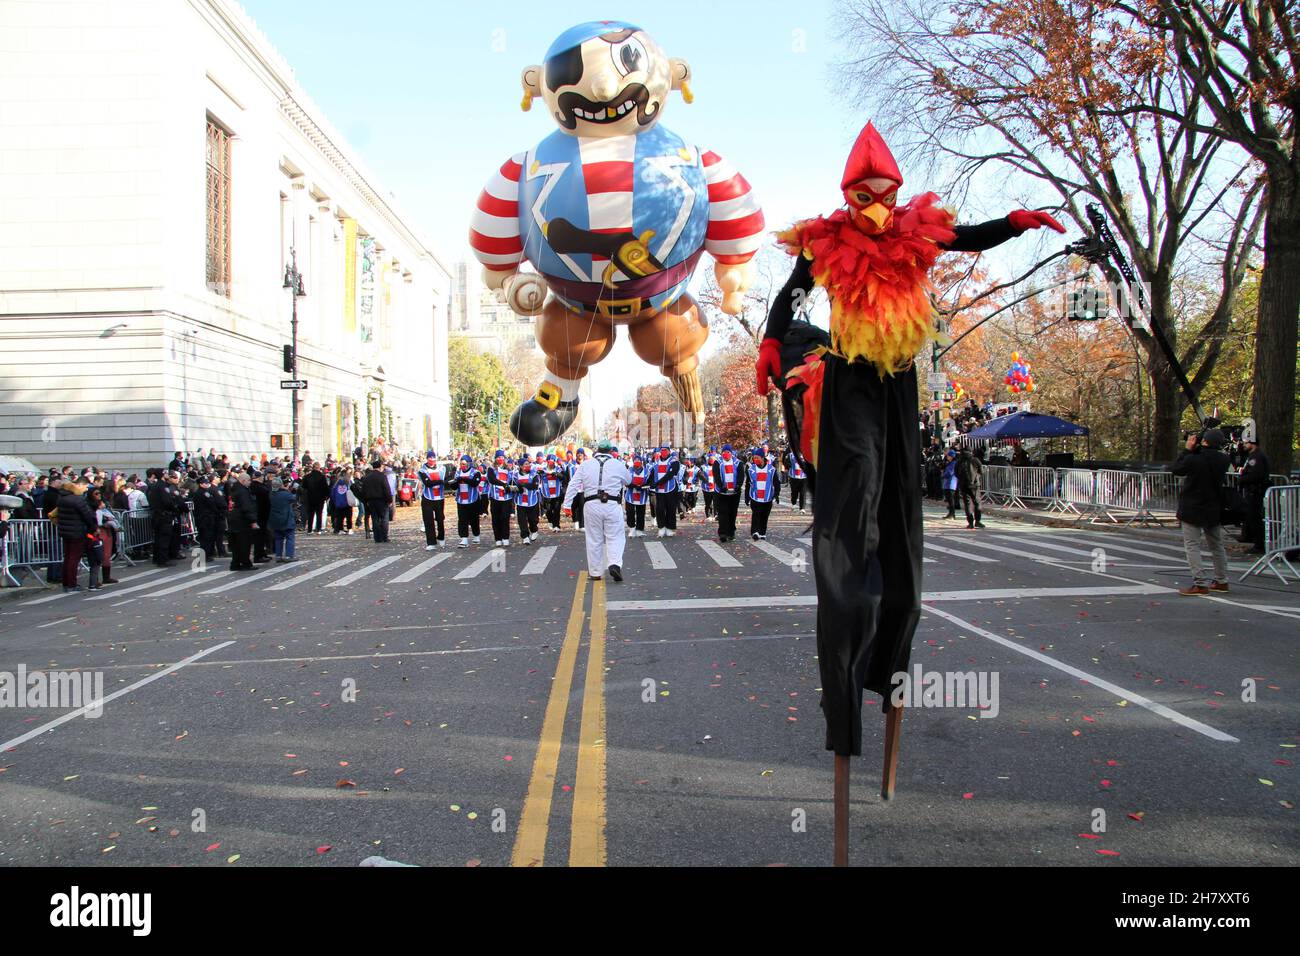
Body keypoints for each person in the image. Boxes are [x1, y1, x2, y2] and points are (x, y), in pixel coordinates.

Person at [757, 119, 1064, 758]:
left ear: (897, 193)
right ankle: (842, 672)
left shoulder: (913, 232)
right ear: (848, 195)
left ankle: (885, 658)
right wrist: (767, 342)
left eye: (886, 193)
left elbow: (966, 237)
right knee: (858, 496)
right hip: (849, 381)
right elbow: (789, 298)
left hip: (899, 382)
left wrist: (1013, 221)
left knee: (899, 508)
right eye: (864, 194)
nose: (877, 206)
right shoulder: (825, 243)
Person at [1170, 427, 1230, 595]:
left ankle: (1200, 582)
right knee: (1216, 545)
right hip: (1213, 507)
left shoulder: (1194, 459)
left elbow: (1177, 469)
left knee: (1192, 545)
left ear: (1204, 441)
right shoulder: (1223, 460)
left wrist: (1187, 449)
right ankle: (1221, 580)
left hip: (1192, 507)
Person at [562, 438, 631, 581]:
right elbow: (628, 481)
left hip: (591, 504)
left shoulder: (586, 465)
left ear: (597, 451)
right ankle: (614, 564)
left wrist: (567, 505)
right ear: (611, 451)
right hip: (612, 504)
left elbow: (573, 484)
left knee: (594, 538)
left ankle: (595, 572)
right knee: (615, 536)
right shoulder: (618, 464)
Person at [56, 480, 97, 592]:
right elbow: (87, 515)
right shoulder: (77, 500)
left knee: (68, 557)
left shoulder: (62, 499)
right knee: (74, 558)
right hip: (77, 531)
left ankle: (66, 582)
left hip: (66, 530)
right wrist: (92, 527)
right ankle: (72, 584)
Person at [1238, 432, 1271, 555]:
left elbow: (1256, 475)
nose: (1244, 445)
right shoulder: (1252, 456)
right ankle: (1250, 537)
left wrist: (1242, 479)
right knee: (1250, 516)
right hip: (1252, 491)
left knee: (1255, 517)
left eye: (1246, 443)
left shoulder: (1256, 457)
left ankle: (1259, 544)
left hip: (1255, 491)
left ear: (1252, 443)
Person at [745, 447, 780, 540]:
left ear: (762, 458)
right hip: (755, 497)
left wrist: (777, 494)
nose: (755, 459)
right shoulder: (751, 469)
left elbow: (776, 482)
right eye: (754, 458)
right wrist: (746, 497)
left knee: (764, 516)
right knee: (756, 514)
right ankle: (755, 532)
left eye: (757, 458)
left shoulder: (771, 469)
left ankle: (762, 532)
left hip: (767, 497)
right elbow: (748, 484)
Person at [226, 472, 258, 570]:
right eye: (249, 481)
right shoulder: (243, 491)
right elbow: (246, 507)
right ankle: (245, 563)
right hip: (242, 520)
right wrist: (253, 520)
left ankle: (235, 563)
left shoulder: (233, 489)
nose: (250, 483)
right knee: (244, 543)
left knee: (236, 545)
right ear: (243, 481)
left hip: (233, 519)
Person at [418, 450, 449, 550]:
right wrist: (439, 481)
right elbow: (428, 483)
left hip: (439, 497)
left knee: (440, 519)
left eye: (433, 457)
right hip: (428, 497)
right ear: (427, 459)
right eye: (430, 458)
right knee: (428, 520)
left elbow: (447, 480)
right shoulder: (422, 470)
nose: (432, 459)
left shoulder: (442, 468)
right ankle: (431, 542)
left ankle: (441, 537)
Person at [712, 444, 743, 543]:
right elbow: (716, 476)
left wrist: (738, 485)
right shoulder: (717, 462)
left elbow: (741, 476)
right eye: (724, 452)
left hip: (734, 493)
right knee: (723, 513)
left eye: (728, 452)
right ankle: (723, 533)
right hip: (721, 492)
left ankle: (731, 532)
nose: (726, 454)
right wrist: (721, 486)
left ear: (731, 453)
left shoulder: (738, 463)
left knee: (732, 513)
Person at [484, 450, 516, 547]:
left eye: (502, 457)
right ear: (495, 458)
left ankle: (505, 537)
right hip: (495, 497)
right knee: (496, 518)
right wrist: (503, 484)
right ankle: (497, 538)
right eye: (498, 457)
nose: (500, 459)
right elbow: (492, 480)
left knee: (505, 518)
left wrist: (510, 487)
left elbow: (512, 481)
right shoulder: (491, 469)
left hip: (506, 498)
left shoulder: (509, 469)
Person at [452, 455, 483, 547]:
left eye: (465, 464)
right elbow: (454, 486)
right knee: (462, 519)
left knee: (474, 519)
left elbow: (475, 483)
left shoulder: (475, 472)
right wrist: (455, 482)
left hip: (473, 499)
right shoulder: (458, 472)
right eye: (461, 464)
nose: (463, 466)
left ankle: (476, 535)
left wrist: (465, 479)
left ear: (469, 464)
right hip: (461, 500)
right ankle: (464, 538)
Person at [651, 445, 681, 537]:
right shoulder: (656, 462)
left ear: (669, 451)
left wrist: (657, 483)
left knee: (671, 509)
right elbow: (652, 475)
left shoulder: (674, 461)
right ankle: (661, 527)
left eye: (665, 450)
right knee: (659, 509)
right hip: (659, 490)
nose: (663, 452)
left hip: (670, 489)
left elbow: (670, 474)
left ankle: (669, 528)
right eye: (662, 450)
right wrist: (648, 484)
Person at [361, 459, 393, 543]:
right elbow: (386, 489)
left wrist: (366, 501)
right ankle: (384, 536)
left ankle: (377, 537)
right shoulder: (382, 476)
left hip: (371, 501)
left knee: (375, 519)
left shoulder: (367, 477)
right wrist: (389, 500)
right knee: (384, 519)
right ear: (380, 467)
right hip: (382, 500)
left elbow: (363, 490)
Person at [513, 455, 542, 544]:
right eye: (525, 464)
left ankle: (534, 530)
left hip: (532, 501)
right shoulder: (515, 475)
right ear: (521, 466)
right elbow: (514, 486)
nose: (528, 465)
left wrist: (523, 485)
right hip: (521, 501)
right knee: (522, 520)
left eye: (528, 464)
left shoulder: (534, 474)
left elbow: (535, 485)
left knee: (533, 519)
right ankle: (525, 536)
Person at [269, 477, 298, 562]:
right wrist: (288, 489)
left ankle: (278, 555)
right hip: (286, 518)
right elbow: (294, 498)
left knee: (278, 538)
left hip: (275, 519)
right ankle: (289, 555)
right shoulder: (285, 494)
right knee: (289, 537)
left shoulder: (271, 494)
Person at [957, 447, 985, 529]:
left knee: (967, 504)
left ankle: (970, 522)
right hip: (974, 485)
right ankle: (978, 521)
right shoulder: (975, 460)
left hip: (963, 485)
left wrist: (961, 479)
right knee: (977, 503)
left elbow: (956, 472)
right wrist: (976, 477)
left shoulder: (959, 461)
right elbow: (981, 471)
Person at [626, 454, 650, 538]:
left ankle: (639, 530)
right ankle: (632, 529)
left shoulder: (646, 471)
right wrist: (634, 486)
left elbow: (649, 483)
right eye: (635, 461)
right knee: (630, 513)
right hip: (630, 496)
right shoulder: (629, 470)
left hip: (642, 496)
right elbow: (626, 482)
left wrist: (642, 487)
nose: (637, 463)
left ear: (641, 462)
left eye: (639, 461)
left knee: (640, 513)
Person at [540, 453, 566, 532]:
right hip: (547, 493)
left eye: (552, 461)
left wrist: (558, 475)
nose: (551, 463)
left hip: (557, 493)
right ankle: (551, 521)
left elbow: (564, 478)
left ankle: (556, 525)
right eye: (549, 461)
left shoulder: (559, 469)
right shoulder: (543, 469)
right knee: (548, 510)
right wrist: (539, 474)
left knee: (557, 509)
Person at [302, 463, 329, 534]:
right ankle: (318, 529)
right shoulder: (322, 477)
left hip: (310, 497)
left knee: (310, 514)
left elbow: (304, 486)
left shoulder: (307, 476)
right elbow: (325, 488)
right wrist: (326, 496)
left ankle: (310, 529)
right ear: (319, 468)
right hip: (320, 498)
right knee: (319, 513)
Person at [786, 446, 808, 513]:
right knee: (794, 492)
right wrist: (788, 465)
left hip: (804, 477)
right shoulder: (790, 455)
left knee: (803, 493)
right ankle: (793, 503)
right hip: (793, 477)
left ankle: (802, 508)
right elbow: (786, 463)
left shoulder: (806, 455)